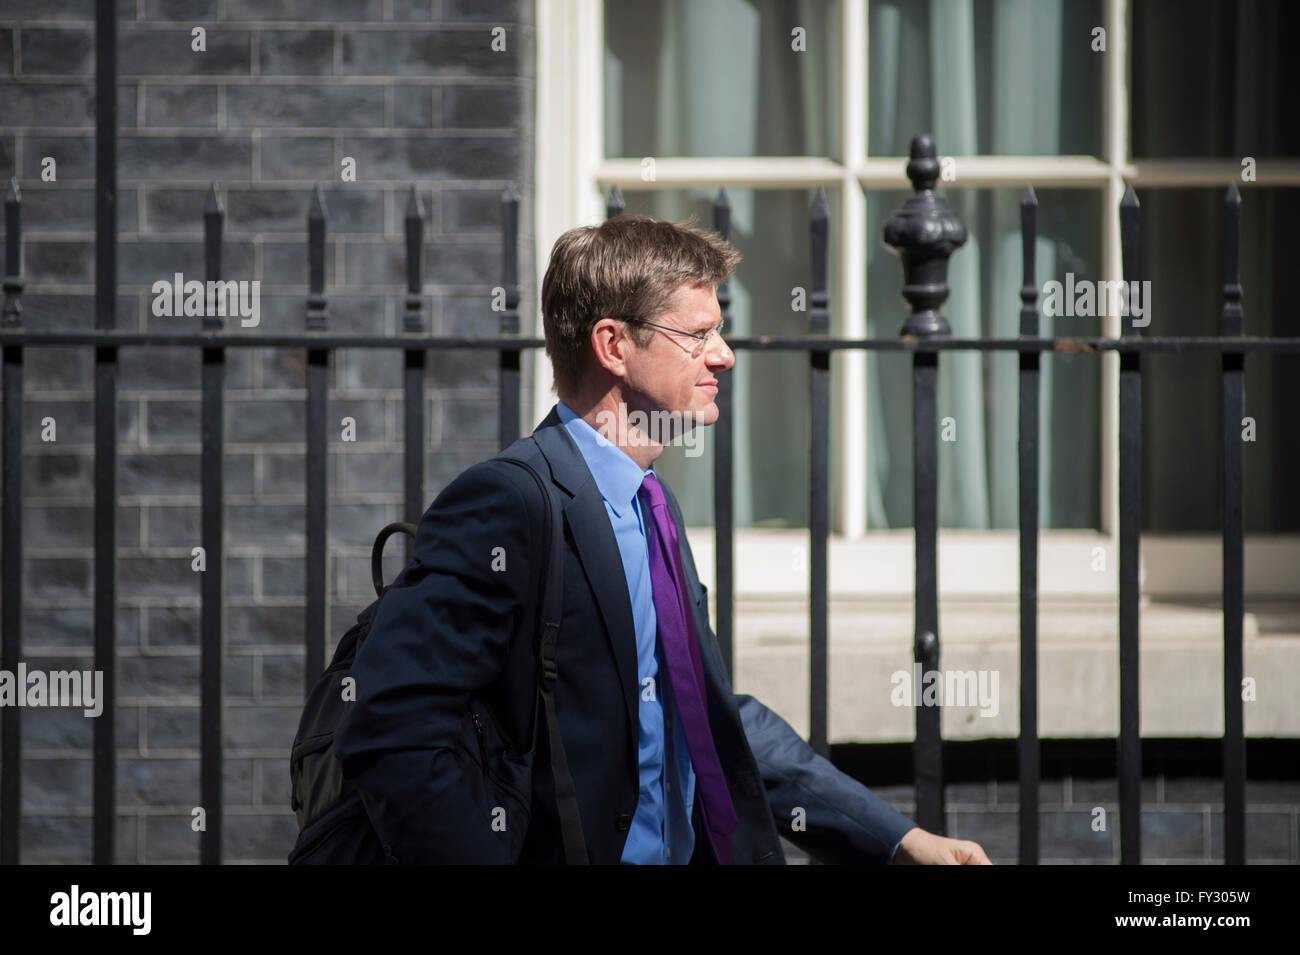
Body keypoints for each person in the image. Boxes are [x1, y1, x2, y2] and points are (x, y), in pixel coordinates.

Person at [334, 214, 991, 865]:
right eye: (698, 333)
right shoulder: (509, 502)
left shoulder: (653, 506)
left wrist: (897, 838)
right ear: (614, 344)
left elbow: (707, 715)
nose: (724, 353)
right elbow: (392, 723)